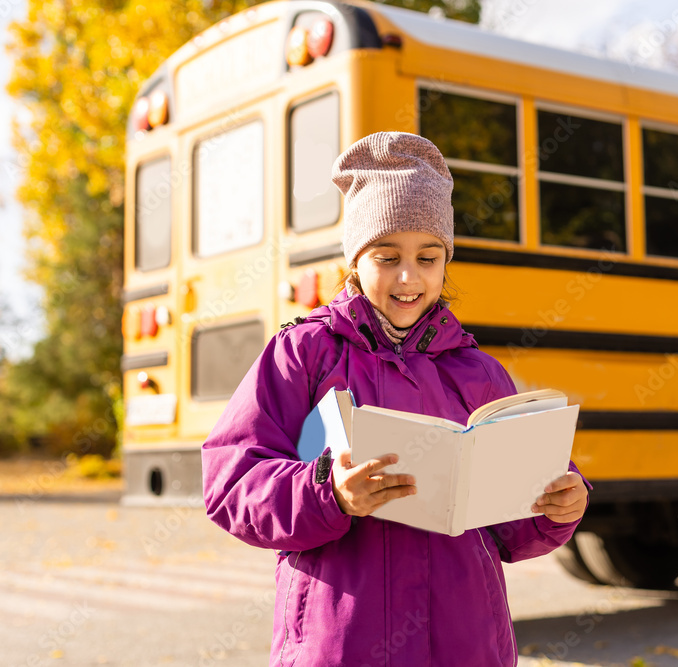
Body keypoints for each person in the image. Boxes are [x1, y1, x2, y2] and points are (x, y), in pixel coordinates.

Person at [202, 131, 590, 667]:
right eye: (387, 256)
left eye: (428, 257)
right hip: (341, 645)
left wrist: (556, 508)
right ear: (355, 260)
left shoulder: (477, 371)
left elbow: (511, 528)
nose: (409, 277)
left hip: (465, 645)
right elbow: (232, 482)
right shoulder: (302, 353)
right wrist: (327, 493)